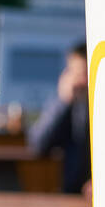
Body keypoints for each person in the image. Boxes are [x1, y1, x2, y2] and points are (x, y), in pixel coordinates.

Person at [29, 42, 91, 196]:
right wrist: (63, 102)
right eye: (72, 73)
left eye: (82, 74)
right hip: (71, 195)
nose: (77, 81)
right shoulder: (68, 104)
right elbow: (38, 145)